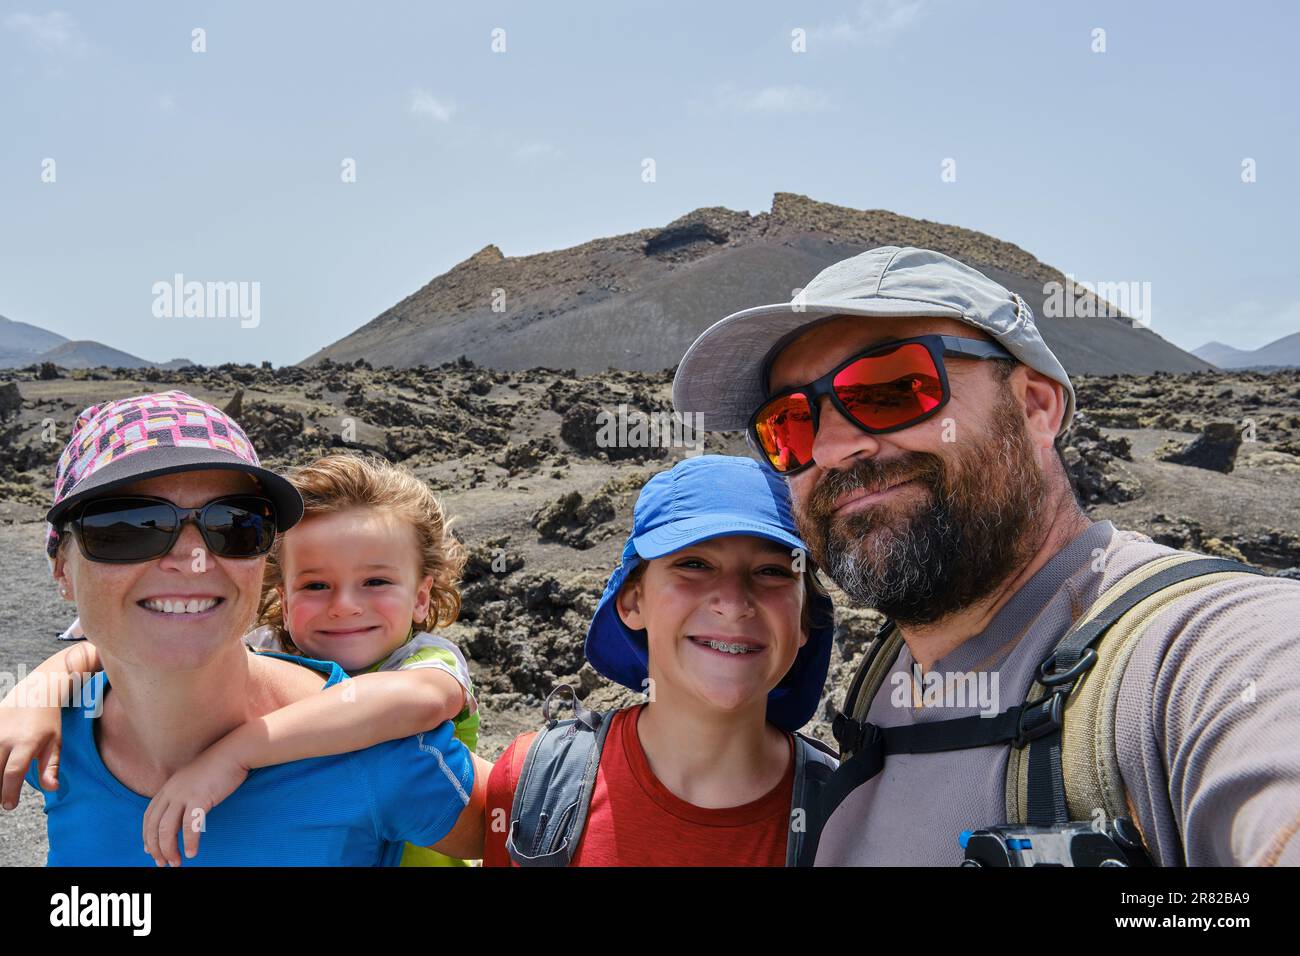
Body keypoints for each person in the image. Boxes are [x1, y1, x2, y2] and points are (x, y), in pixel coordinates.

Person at [672, 246, 1300, 866]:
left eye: (891, 388)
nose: (833, 447)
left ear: (1035, 406)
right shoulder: (879, 690)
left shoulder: (1204, 657)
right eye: (790, 424)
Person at [0, 390, 485, 865]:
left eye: (233, 524)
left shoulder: (375, 747)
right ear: (62, 568)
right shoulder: (51, 738)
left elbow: (538, 835)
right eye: (129, 526)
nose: (191, 561)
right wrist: (37, 689)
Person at [482, 455, 838, 867]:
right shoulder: (535, 780)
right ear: (633, 601)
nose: (734, 604)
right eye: (694, 564)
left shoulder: (846, 815)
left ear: (804, 619)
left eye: (772, 571)